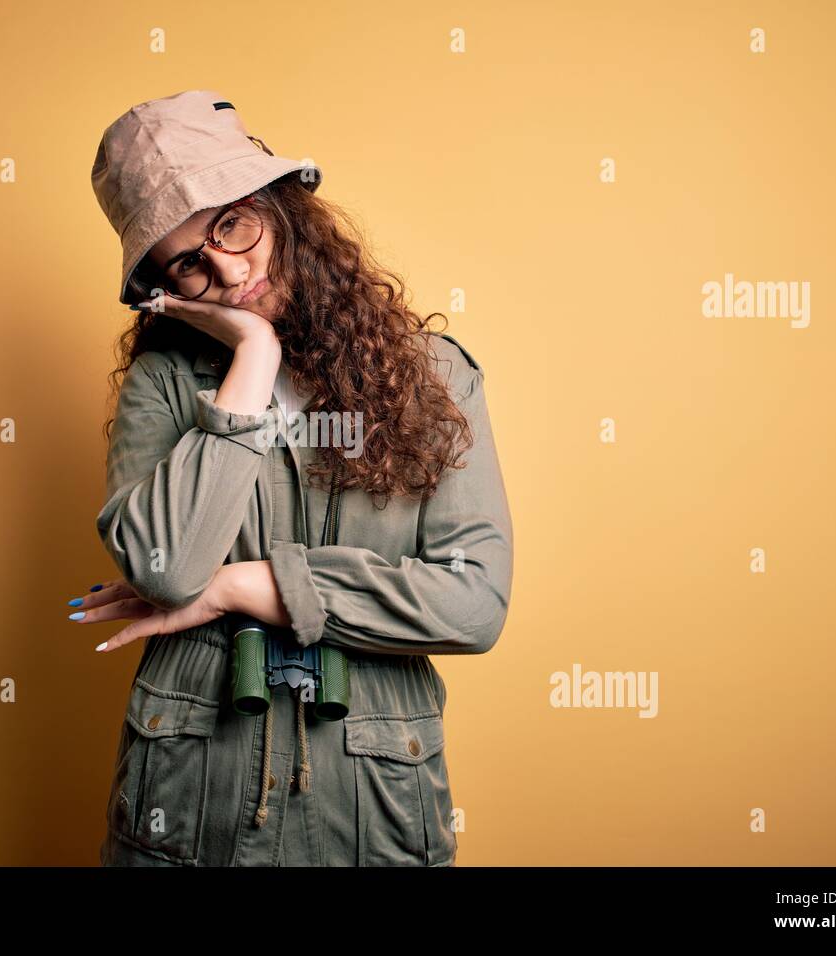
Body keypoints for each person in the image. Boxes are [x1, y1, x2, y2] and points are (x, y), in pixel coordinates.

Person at [75, 90, 513, 866]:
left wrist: (239, 586)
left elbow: (474, 603)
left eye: (232, 225)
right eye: (189, 262)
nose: (229, 270)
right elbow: (167, 570)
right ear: (165, 283)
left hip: (374, 799)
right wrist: (254, 358)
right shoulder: (166, 382)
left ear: (279, 209)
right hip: (192, 788)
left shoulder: (435, 377)